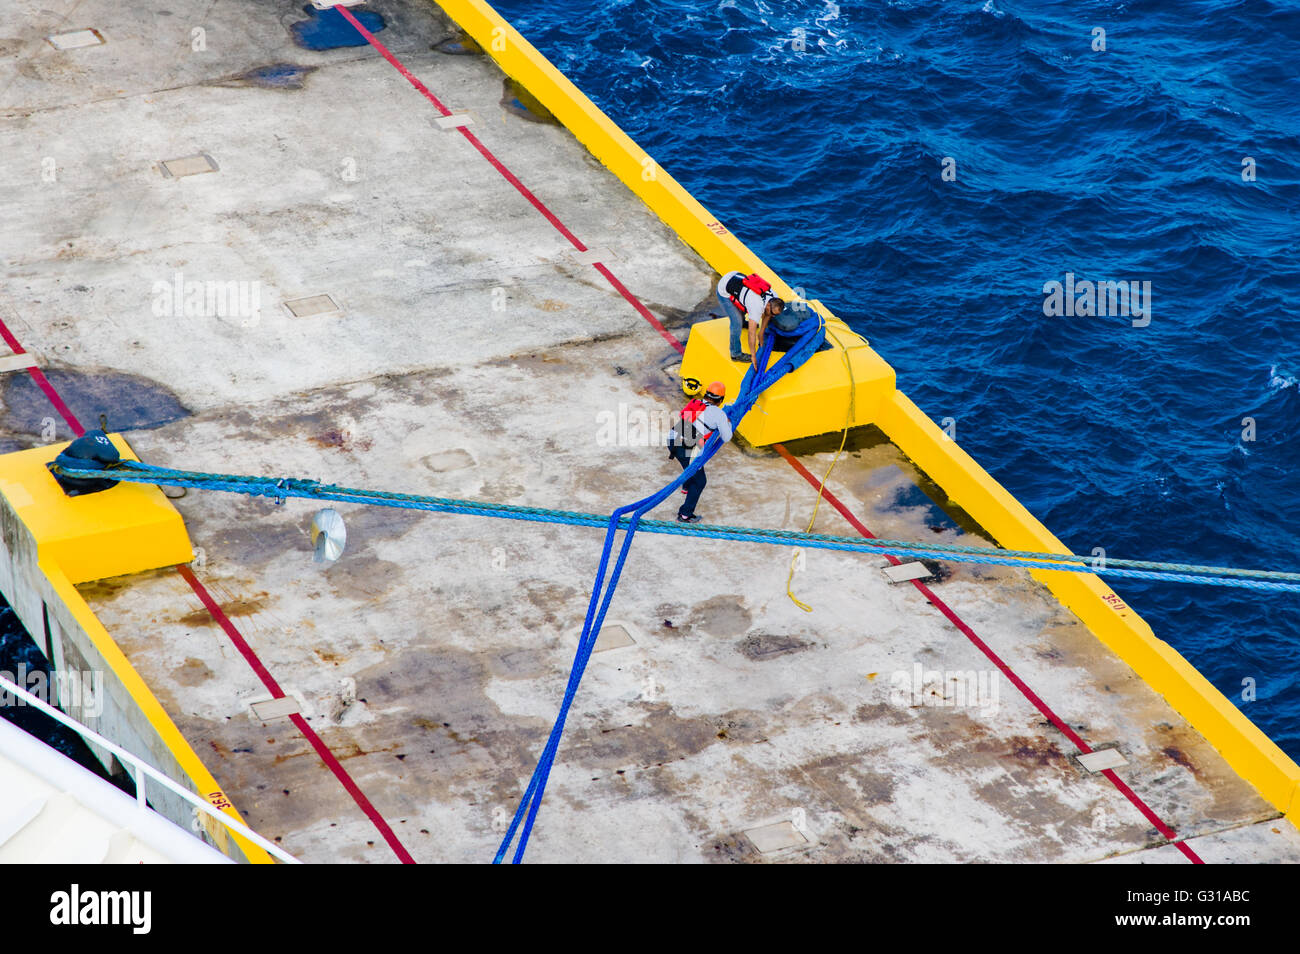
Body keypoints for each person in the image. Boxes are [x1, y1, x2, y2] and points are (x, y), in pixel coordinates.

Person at [666, 381, 733, 523]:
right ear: (721, 400)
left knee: (689, 462)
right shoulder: (719, 414)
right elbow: (727, 437)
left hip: (672, 439)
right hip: (687, 447)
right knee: (700, 481)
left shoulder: (696, 402)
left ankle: (686, 486)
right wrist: (727, 422)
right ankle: (685, 514)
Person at [717, 271, 785, 367]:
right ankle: (735, 354)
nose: (773, 316)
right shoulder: (756, 306)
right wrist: (753, 356)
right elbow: (751, 334)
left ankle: (743, 321)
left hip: (737, 278)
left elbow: (768, 315)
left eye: (775, 315)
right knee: (736, 323)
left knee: (747, 307)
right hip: (724, 289)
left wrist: (761, 333)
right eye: (773, 313)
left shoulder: (774, 297)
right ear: (768, 305)